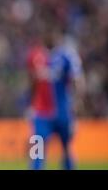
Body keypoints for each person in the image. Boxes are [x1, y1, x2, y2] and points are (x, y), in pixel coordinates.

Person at [27, 25, 86, 170]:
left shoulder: (67, 55)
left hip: (63, 112)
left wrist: (77, 103)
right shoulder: (35, 55)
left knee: (66, 148)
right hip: (41, 112)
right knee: (37, 149)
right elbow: (32, 83)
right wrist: (30, 104)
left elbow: (77, 80)